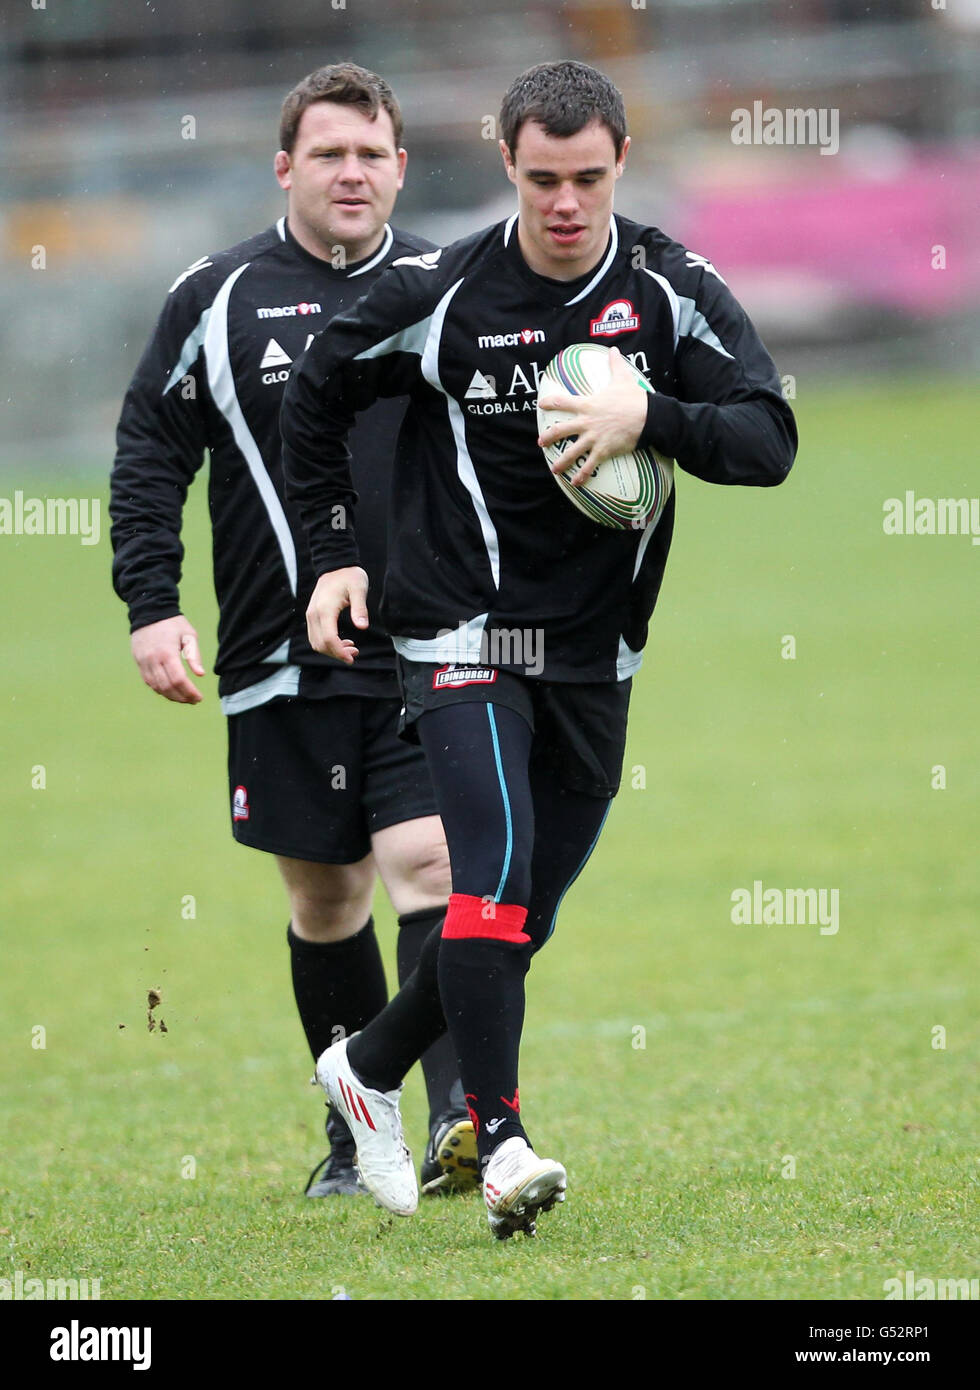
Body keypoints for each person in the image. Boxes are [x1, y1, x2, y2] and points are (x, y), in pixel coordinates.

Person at [281, 59, 798, 1236]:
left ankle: (364, 1066)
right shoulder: (445, 289)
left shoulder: (667, 287)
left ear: (621, 161)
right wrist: (335, 551)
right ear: (504, 164)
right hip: (462, 626)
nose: (565, 203)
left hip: (594, 651)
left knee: (520, 918)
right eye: (540, 179)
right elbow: (315, 391)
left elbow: (767, 440)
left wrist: (646, 416)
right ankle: (500, 1136)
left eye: (588, 179)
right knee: (492, 878)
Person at [109, 63, 477, 1201]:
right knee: (326, 899)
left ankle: (466, 1115)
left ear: (401, 167)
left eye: (371, 154)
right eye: (329, 154)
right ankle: (352, 1134)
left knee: (432, 861)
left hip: (427, 640)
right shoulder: (215, 297)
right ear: (286, 168)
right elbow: (148, 448)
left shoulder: (446, 285)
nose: (352, 173)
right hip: (278, 651)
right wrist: (153, 602)